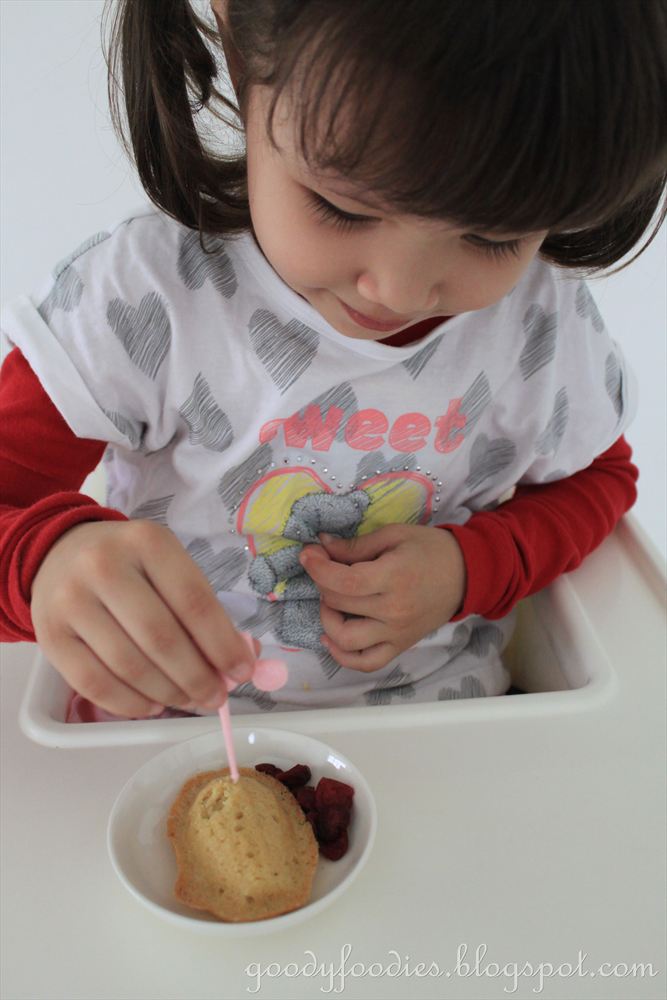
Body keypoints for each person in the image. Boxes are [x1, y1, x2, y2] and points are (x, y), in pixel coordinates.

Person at [0, 0, 664, 719]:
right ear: (236, 33)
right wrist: (43, 565)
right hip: (162, 742)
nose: (400, 290)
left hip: (450, 733)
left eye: (489, 237)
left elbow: (599, 477)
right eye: (342, 209)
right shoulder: (143, 300)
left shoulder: (536, 320)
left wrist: (472, 566)